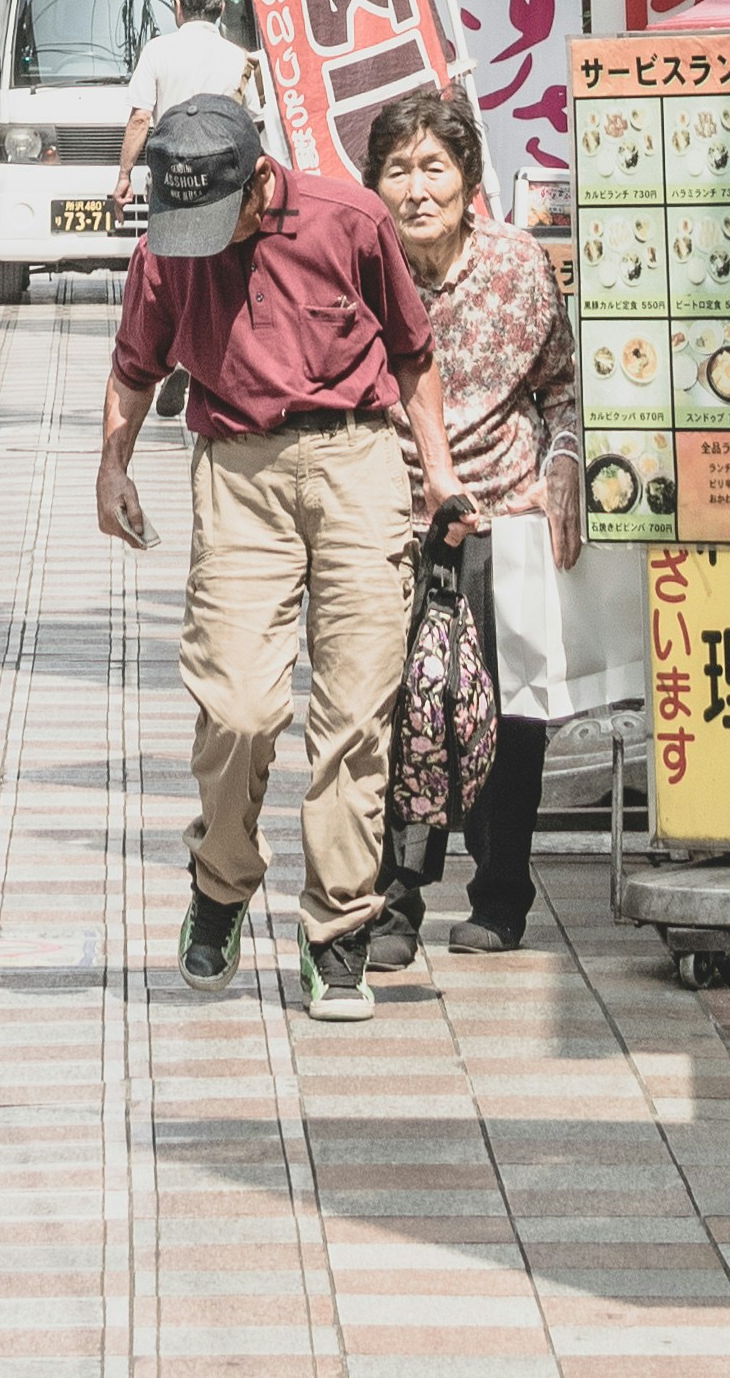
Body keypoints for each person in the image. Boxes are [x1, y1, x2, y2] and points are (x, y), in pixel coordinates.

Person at [98, 87, 463, 1022]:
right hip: (237, 469)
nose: (203, 241)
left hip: (355, 462)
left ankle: (337, 928)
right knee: (239, 707)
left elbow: (413, 353)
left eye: (220, 219)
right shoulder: (167, 246)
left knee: (354, 714)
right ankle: (220, 882)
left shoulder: (350, 220)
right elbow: (135, 365)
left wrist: (437, 473)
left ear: (262, 180)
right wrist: (112, 467)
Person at [360, 84, 581, 962]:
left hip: (503, 512)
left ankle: (500, 893)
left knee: (506, 710)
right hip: (395, 513)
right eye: (396, 170)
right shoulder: (360, 270)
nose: (416, 190)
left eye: (433, 168)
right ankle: (395, 903)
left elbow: (561, 387)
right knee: (396, 706)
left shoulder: (518, 264)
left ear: (467, 177)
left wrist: (562, 468)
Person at [115, 0, 265, 201]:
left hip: (170, 180)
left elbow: (140, 119)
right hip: (221, 185)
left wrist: (125, 175)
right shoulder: (241, 59)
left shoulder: (156, 51)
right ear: (222, 7)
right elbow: (253, 125)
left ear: (177, 5)